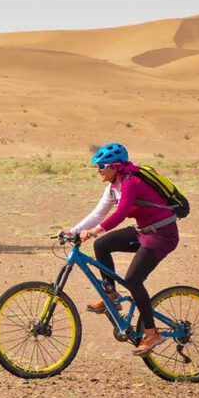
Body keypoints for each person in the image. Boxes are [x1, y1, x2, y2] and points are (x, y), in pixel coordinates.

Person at [65, 142, 179, 356]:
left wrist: (92, 232)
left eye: (100, 166)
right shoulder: (113, 187)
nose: (97, 170)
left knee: (133, 279)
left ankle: (152, 333)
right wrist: (72, 231)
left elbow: (120, 214)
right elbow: (98, 214)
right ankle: (112, 294)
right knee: (102, 245)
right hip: (143, 230)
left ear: (115, 166)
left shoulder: (131, 182)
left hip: (162, 235)